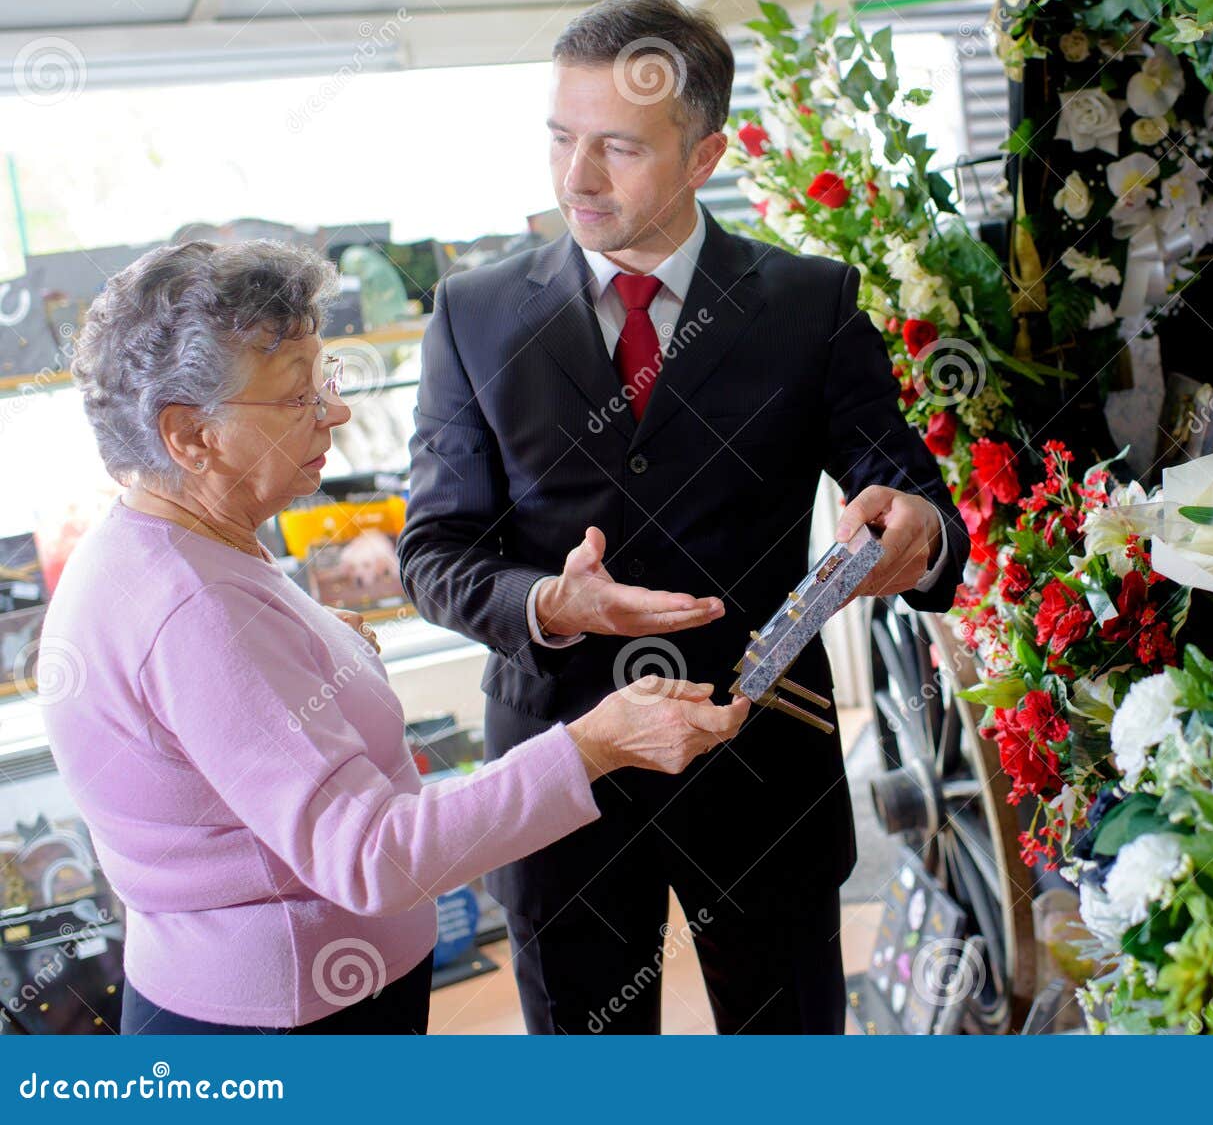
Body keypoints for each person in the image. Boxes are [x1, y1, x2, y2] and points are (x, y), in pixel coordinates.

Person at [397, 0, 967, 1035]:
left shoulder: (812, 303)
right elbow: (432, 554)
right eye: (561, 138)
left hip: (763, 765)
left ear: (705, 156)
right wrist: (551, 605)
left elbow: (912, 498)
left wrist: (919, 531)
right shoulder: (470, 317)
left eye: (617, 147)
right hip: (561, 768)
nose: (576, 176)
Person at [41, 240, 748, 1034]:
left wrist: (309, 645)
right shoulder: (195, 609)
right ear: (188, 435)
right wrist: (592, 746)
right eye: (296, 397)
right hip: (290, 1019)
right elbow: (372, 856)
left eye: (325, 379)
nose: (335, 412)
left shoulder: (163, 543)